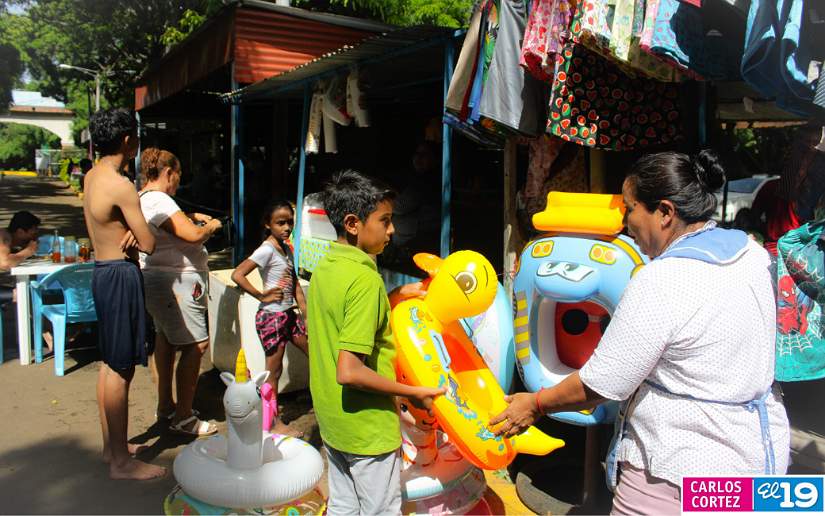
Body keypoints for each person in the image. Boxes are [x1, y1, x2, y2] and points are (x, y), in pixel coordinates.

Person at [490, 150, 790, 514]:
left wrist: (535, 404)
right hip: (755, 456)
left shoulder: (661, 280)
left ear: (664, 212)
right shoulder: (751, 253)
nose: (625, 222)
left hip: (678, 467)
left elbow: (601, 384)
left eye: (630, 208)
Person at [307, 170, 445, 515]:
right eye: (384, 221)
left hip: (334, 418)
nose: (392, 229)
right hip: (367, 428)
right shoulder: (364, 281)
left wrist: (395, 295)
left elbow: (343, 318)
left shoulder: (326, 265)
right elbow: (350, 371)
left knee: (343, 506)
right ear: (353, 224)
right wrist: (414, 394)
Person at [82, 108, 165, 480]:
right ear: (128, 141)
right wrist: (139, 234)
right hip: (120, 273)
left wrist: (129, 231)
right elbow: (148, 241)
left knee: (109, 362)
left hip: (102, 270)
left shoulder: (91, 176)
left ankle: (111, 449)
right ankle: (121, 462)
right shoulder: (120, 184)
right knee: (121, 367)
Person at [138, 147, 223, 436]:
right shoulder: (159, 199)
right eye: (178, 176)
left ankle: (167, 406)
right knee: (195, 345)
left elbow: (173, 224)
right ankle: (184, 416)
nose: (177, 183)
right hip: (176, 281)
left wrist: (191, 214)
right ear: (168, 172)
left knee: (166, 340)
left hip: (160, 279)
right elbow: (192, 234)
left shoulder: (144, 198)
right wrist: (210, 226)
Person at [231, 201, 307, 437]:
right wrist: (260, 294)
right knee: (272, 373)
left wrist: (304, 312)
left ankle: (317, 396)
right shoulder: (266, 250)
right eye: (280, 222)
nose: (286, 227)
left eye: (290, 222)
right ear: (268, 224)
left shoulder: (286, 249)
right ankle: (271, 422)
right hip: (271, 317)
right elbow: (238, 274)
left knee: (315, 350)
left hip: (288, 315)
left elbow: (294, 284)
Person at [0, 211, 41, 303]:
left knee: (25, 290)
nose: (34, 239)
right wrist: (28, 251)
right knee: (21, 293)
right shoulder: (3, 237)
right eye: (32, 234)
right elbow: (5, 263)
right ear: (20, 232)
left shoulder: (9, 241)